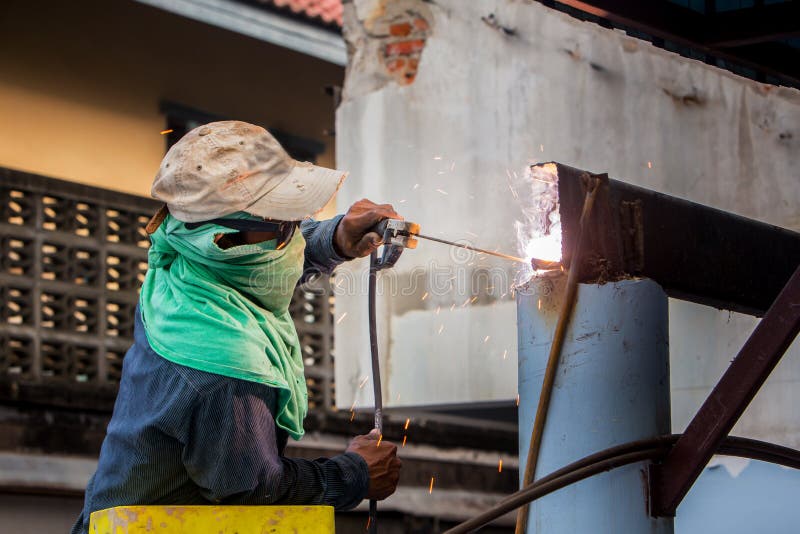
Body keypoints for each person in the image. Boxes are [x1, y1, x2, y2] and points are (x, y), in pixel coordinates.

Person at [71, 121, 402, 533]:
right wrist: (355, 473)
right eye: (286, 224)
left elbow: (261, 262)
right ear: (228, 240)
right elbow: (255, 489)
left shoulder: (183, 260)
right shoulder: (225, 364)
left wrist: (335, 238)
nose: (295, 235)